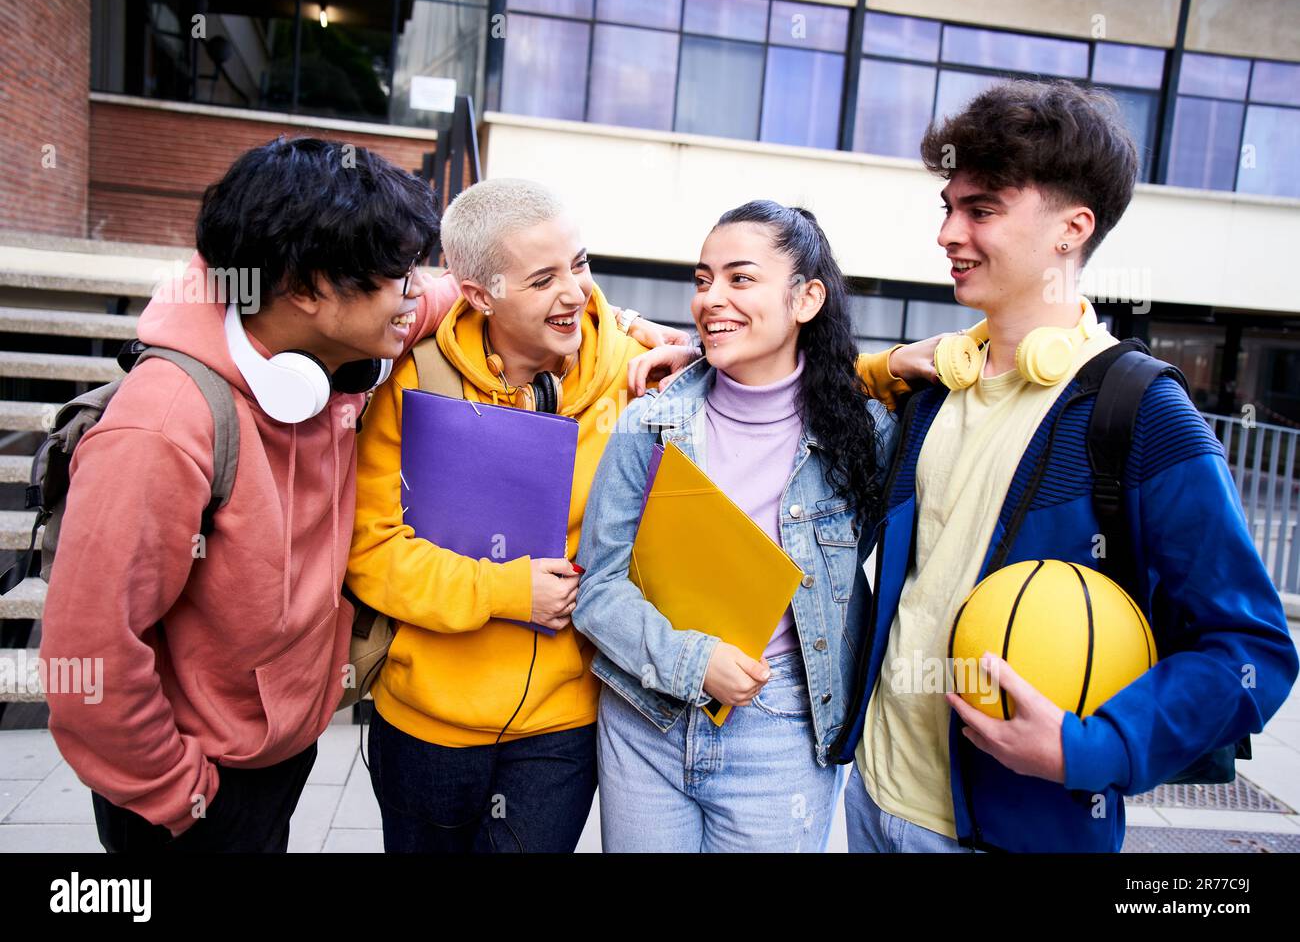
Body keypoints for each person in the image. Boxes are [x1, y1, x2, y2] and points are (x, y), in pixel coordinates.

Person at [346, 181, 930, 852]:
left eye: (581, 263)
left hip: (565, 726)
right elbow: (371, 551)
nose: (576, 292)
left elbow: (776, 370)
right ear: (483, 295)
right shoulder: (421, 382)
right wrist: (505, 591)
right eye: (543, 279)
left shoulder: (642, 379)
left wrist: (879, 367)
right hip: (428, 720)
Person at [832, 80, 1299, 852]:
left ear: (1071, 229)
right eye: (947, 207)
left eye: (981, 210)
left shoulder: (1141, 412)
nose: (949, 232)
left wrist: (1093, 750)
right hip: (872, 799)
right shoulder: (933, 386)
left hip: (1015, 832)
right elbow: (803, 396)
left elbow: (1250, 652)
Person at [40, 136, 465, 852]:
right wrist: (178, 794)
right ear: (303, 288)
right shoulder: (163, 426)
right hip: (193, 792)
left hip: (278, 753)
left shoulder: (336, 329)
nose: (416, 293)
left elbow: (463, 292)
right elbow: (89, 655)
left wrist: (627, 330)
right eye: (398, 275)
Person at [573, 199, 896, 851]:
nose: (711, 297)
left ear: (806, 299)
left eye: (740, 278)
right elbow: (597, 589)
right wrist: (695, 661)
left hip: (782, 734)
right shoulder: (649, 424)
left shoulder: (866, 436)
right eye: (702, 280)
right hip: (646, 721)